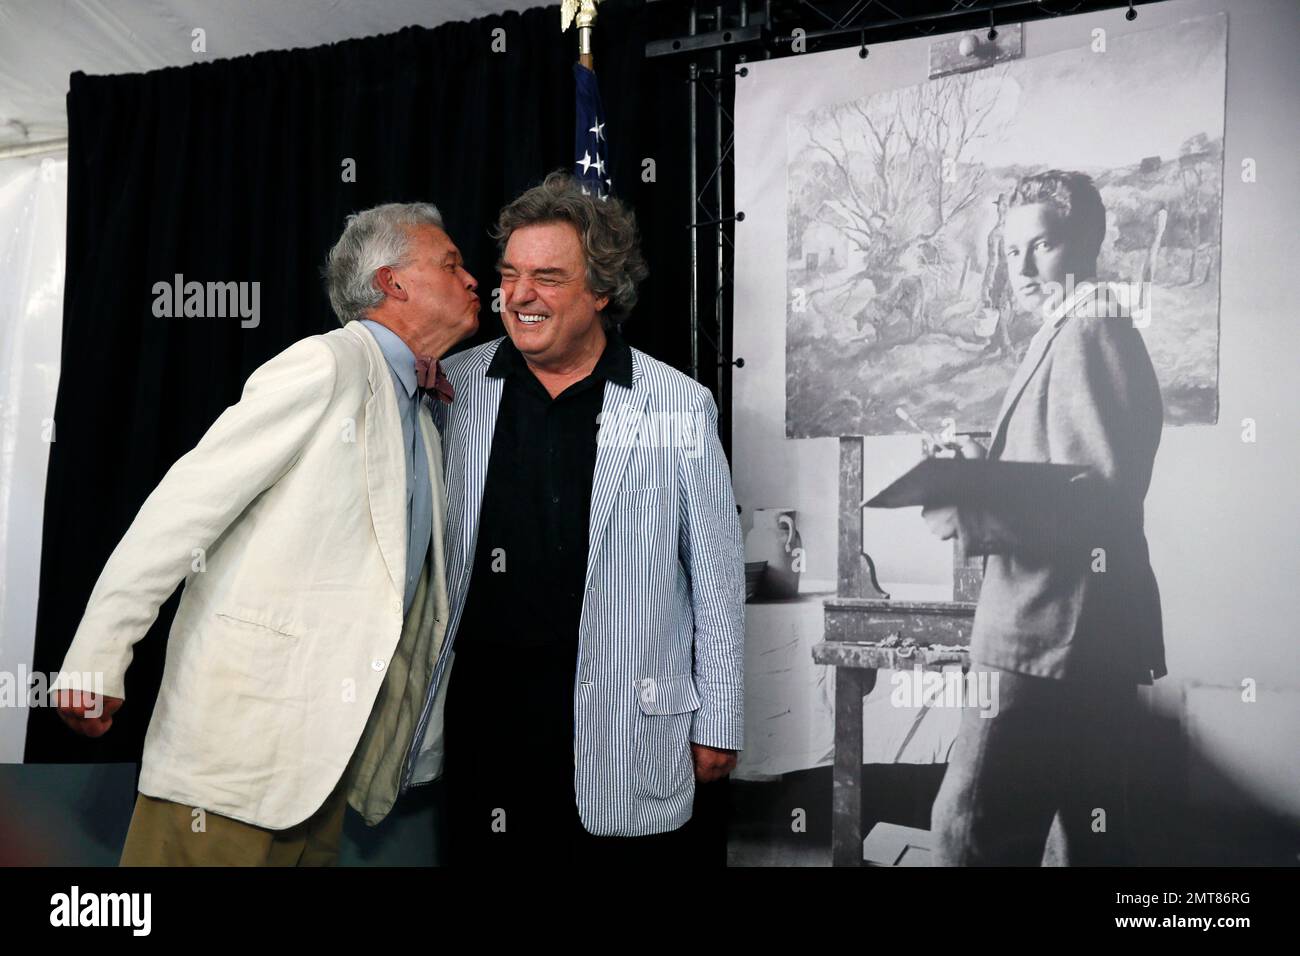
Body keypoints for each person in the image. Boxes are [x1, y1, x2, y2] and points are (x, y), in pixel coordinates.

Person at [53, 202, 480, 865]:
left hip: (321, 769)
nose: (474, 280)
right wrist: (94, 658)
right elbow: (183, 508)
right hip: (233, 756)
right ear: (393, 282)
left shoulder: (422, 420)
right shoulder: (326, 364)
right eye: (452, 264)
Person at [406, 171, 745, 865]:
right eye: (510, 274)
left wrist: (721, 718)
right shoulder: (449, 388)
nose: (520, 295)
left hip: (627, 721)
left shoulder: (676, 405)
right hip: (486, 726)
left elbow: (716, 578)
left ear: (602, 292)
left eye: (549, 278)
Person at [922, 170, 1164, 866]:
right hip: (1079, 633)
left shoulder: (1090, 328)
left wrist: (968, 506)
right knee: (1085, 833)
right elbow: (1066, 469)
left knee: (971, 830)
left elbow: (1096, 498)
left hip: (1048, 629)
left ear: (1087, 240)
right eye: (1010, 249)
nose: (1022, 268)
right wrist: (982, 460)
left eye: (1044, 245)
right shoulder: (1075, 327)